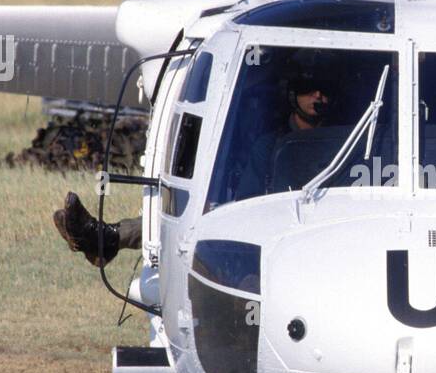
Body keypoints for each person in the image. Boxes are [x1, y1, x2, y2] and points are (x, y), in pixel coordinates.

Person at [53, 60, 334, 266]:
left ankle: (105, 240)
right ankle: (105, 238)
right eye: (310, 90)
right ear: (294, 95)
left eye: (325, 91)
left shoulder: (341, 140)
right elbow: (248, 201)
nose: (318, 97)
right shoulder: (268, 146)